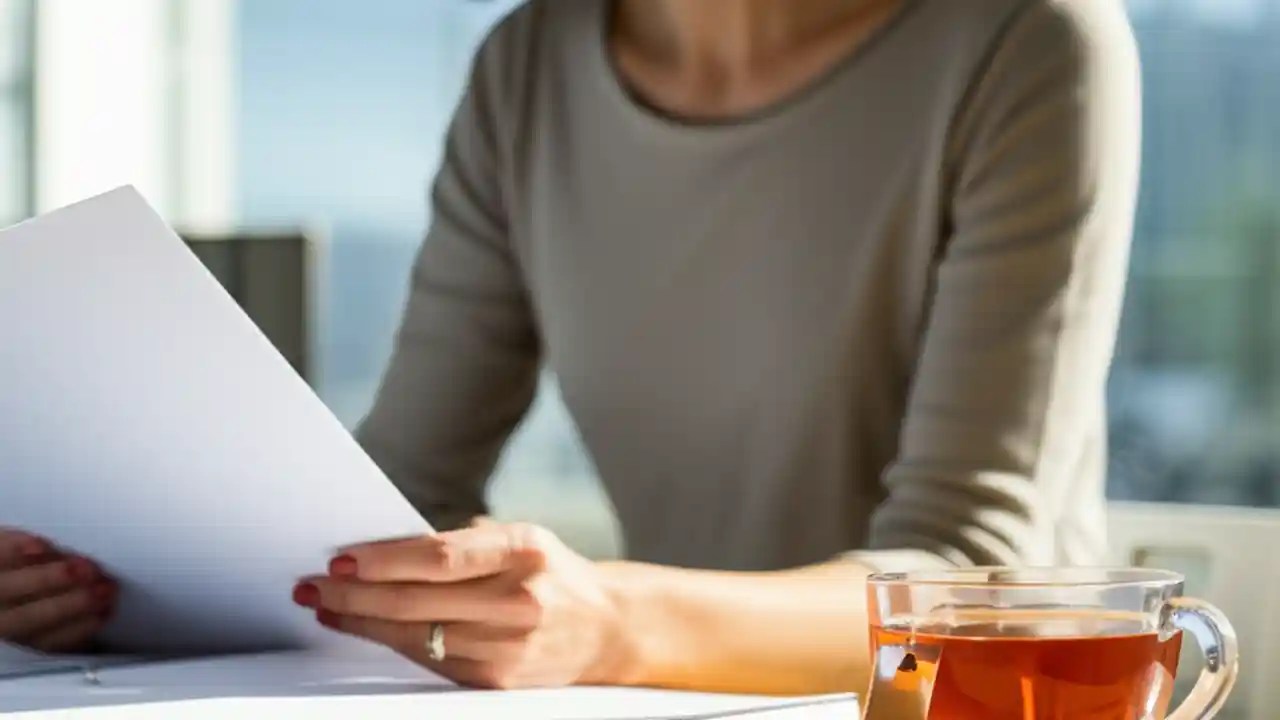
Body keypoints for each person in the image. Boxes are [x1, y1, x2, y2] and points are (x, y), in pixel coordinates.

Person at [0, 0, 1139, 695]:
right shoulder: (528, 64)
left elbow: (970, 578)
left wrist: (611, 625)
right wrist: (127, 589)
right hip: (680, 699)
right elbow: (400, 493)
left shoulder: (1027, 37)